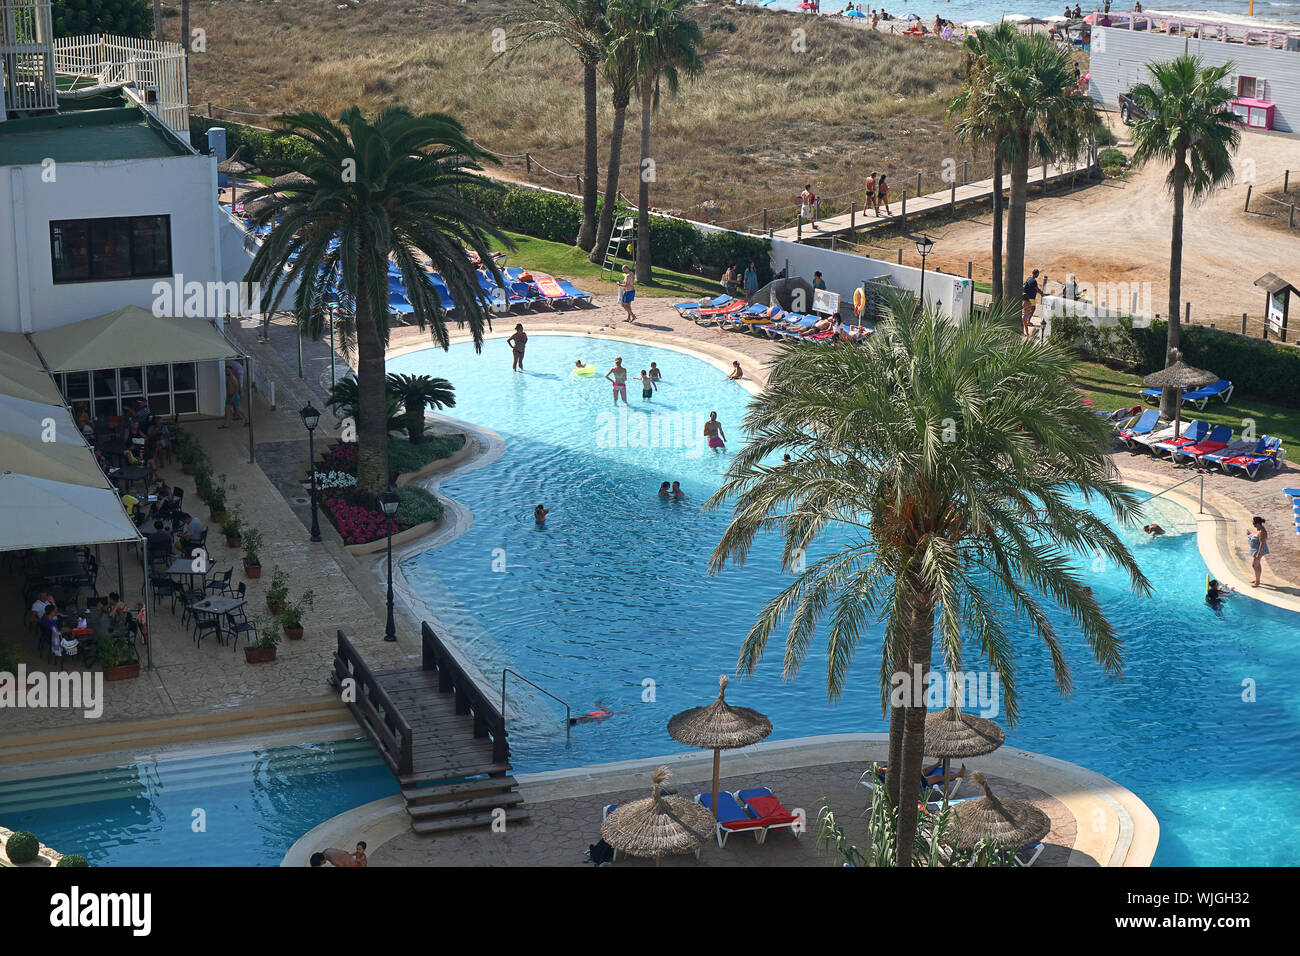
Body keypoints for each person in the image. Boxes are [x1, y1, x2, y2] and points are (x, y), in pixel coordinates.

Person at [1248, 516, 1269, 587]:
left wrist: (1258, 553)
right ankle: (1257, 579)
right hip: (1256, 550)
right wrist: (1250, 534)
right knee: (1257, 565)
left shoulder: (1262, 531)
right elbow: (1256, 536)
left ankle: (1257, 582)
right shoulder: (1259, 529)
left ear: (1257, 523)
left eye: (1254, 523)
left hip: (1259, 550)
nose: (1253, 525)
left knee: (1254, 565)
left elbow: (1262, 543)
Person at [1021, 268, 1042, 334]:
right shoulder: (1033, 281)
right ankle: (1028, 321)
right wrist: (1042, 293)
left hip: (1027, 297)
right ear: (1036, 274)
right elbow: (1037, 289)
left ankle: (1027, 321)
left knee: (1029, 310)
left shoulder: (1029, 278)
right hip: (1031, 298)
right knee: (1032, 309)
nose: (1038, 275)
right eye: (1038, 274)